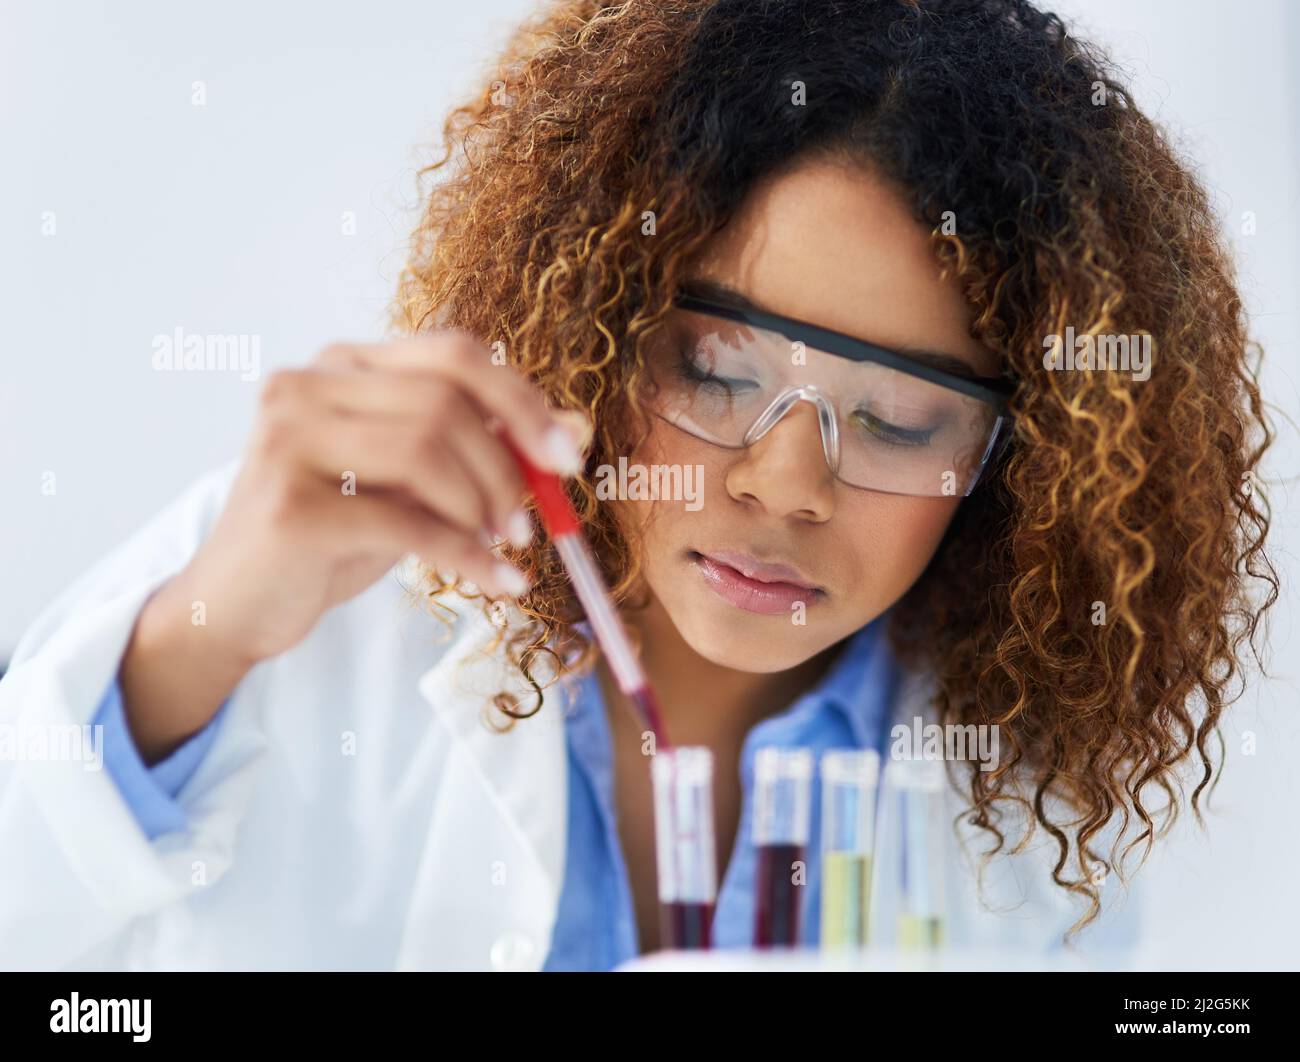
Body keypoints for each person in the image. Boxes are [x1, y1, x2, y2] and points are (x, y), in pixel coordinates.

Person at [0, 0, 1272, 971]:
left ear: (1022, 465)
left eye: (898, 418)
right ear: (596, 328)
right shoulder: (329, 579)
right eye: (715, 371)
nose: (787, 486)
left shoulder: (1019, 814)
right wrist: (191, 638)